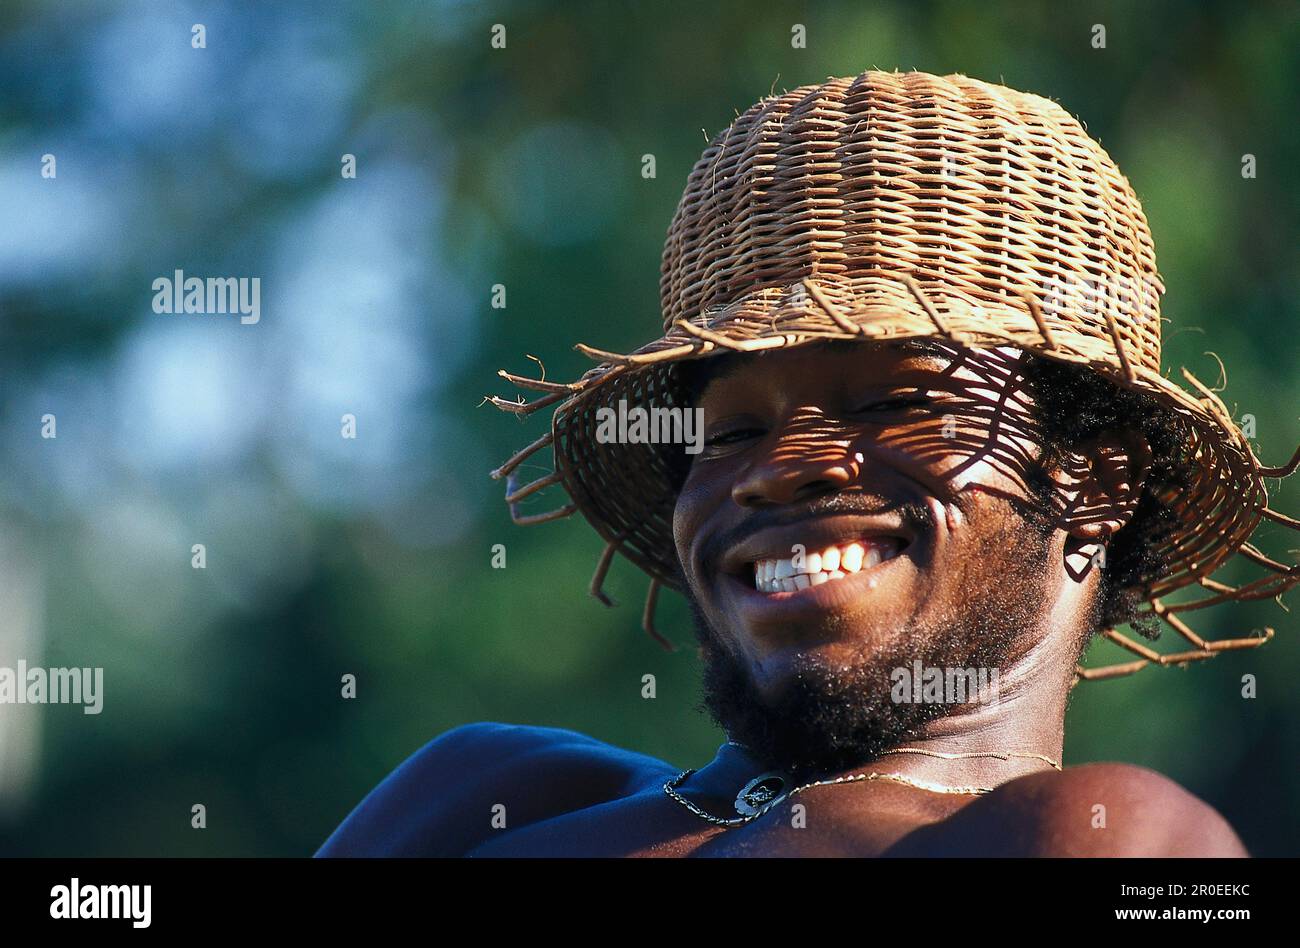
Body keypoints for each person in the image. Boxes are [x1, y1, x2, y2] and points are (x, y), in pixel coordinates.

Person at [317, 70, 1298, 857]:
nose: (778, 471)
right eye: (731, 432)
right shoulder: (487, 791)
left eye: (895, 404)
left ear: (1096, 482)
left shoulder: (1101, 837)